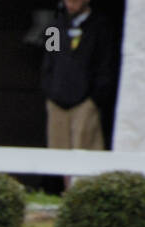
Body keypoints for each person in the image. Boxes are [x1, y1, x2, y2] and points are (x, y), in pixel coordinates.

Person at [40, 0, 117, 153]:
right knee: (58, 155)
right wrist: (50, 90)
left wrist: (94, 99)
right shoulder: (55, 27)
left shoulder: (100, 28)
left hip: (85, 102)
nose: (70, 5)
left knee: (86, 152)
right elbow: (49, 60)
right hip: (57, 102)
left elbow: (106, 65)